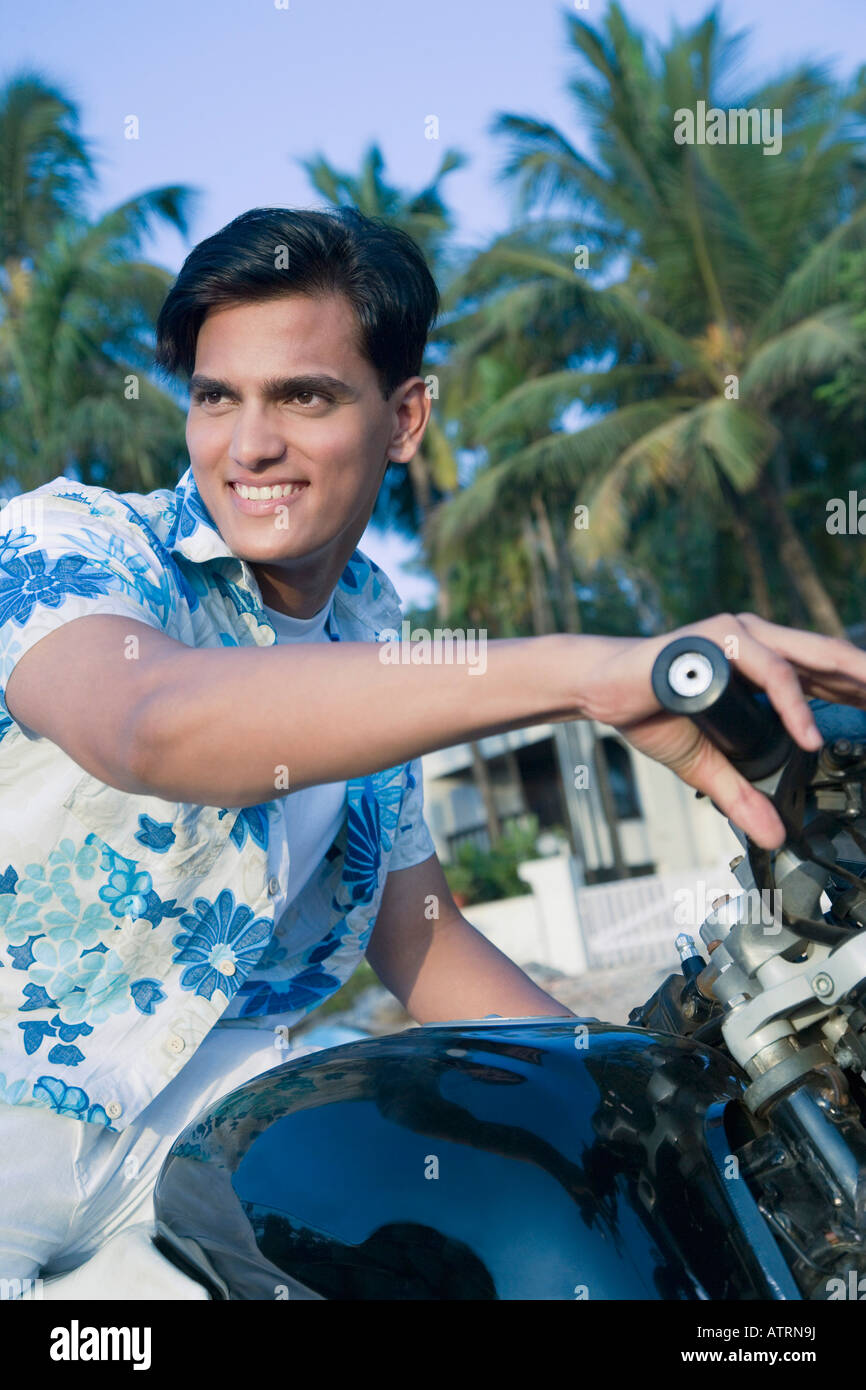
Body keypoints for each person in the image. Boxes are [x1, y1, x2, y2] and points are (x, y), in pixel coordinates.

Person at [1, 206, 864, 1299]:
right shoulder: (73, 542)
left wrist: (671, 1107)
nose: (247, 443)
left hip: (203, 1164)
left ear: (404, 416)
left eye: (301, 395)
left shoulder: (370, 627)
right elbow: (148, 723)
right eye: (217, 397)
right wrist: (585, 671)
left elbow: (420, 937)